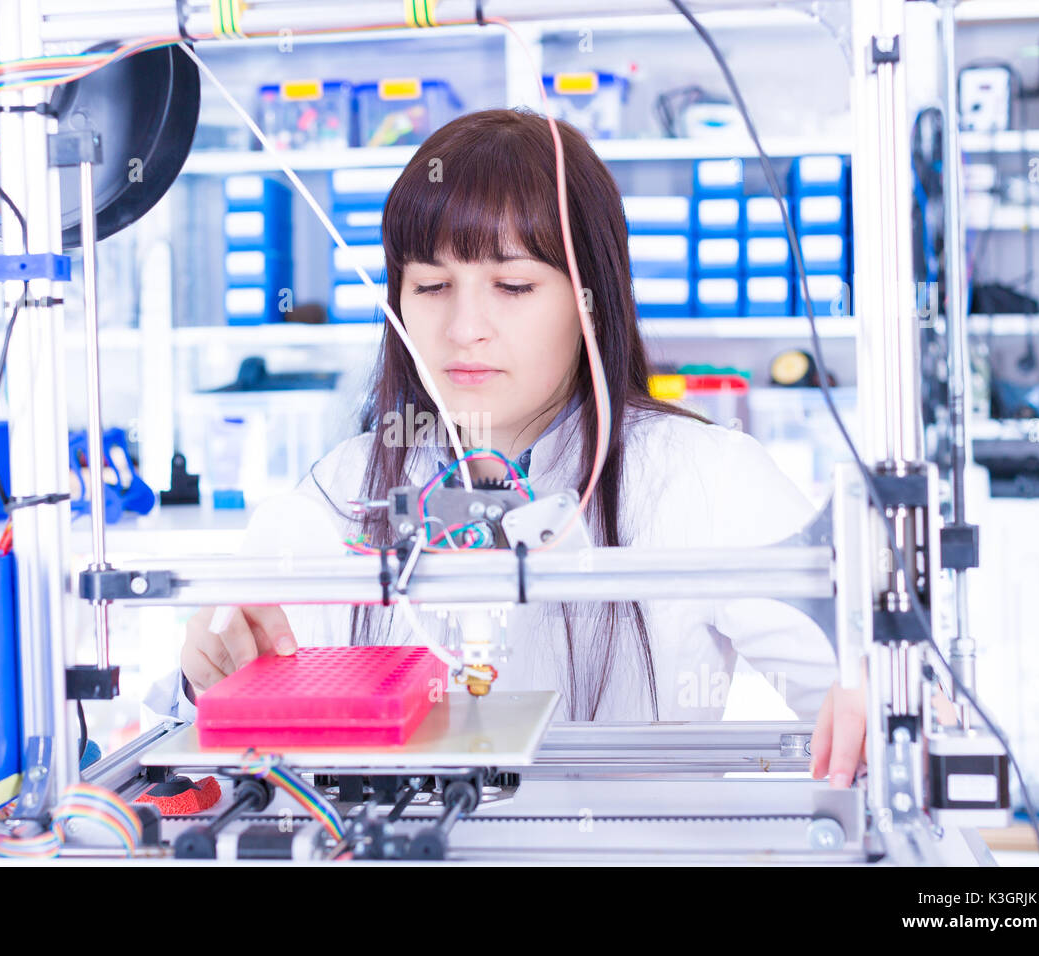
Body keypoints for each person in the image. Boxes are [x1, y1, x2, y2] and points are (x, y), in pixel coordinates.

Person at [145, 108, 865, 789]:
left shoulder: (703, 475)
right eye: (430, 285)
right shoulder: (346, 485)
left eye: (513, 285)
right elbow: (214, 732)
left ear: (592, 298)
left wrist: (868, 699)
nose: (464, 328)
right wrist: (208, 673)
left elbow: (858, 687)